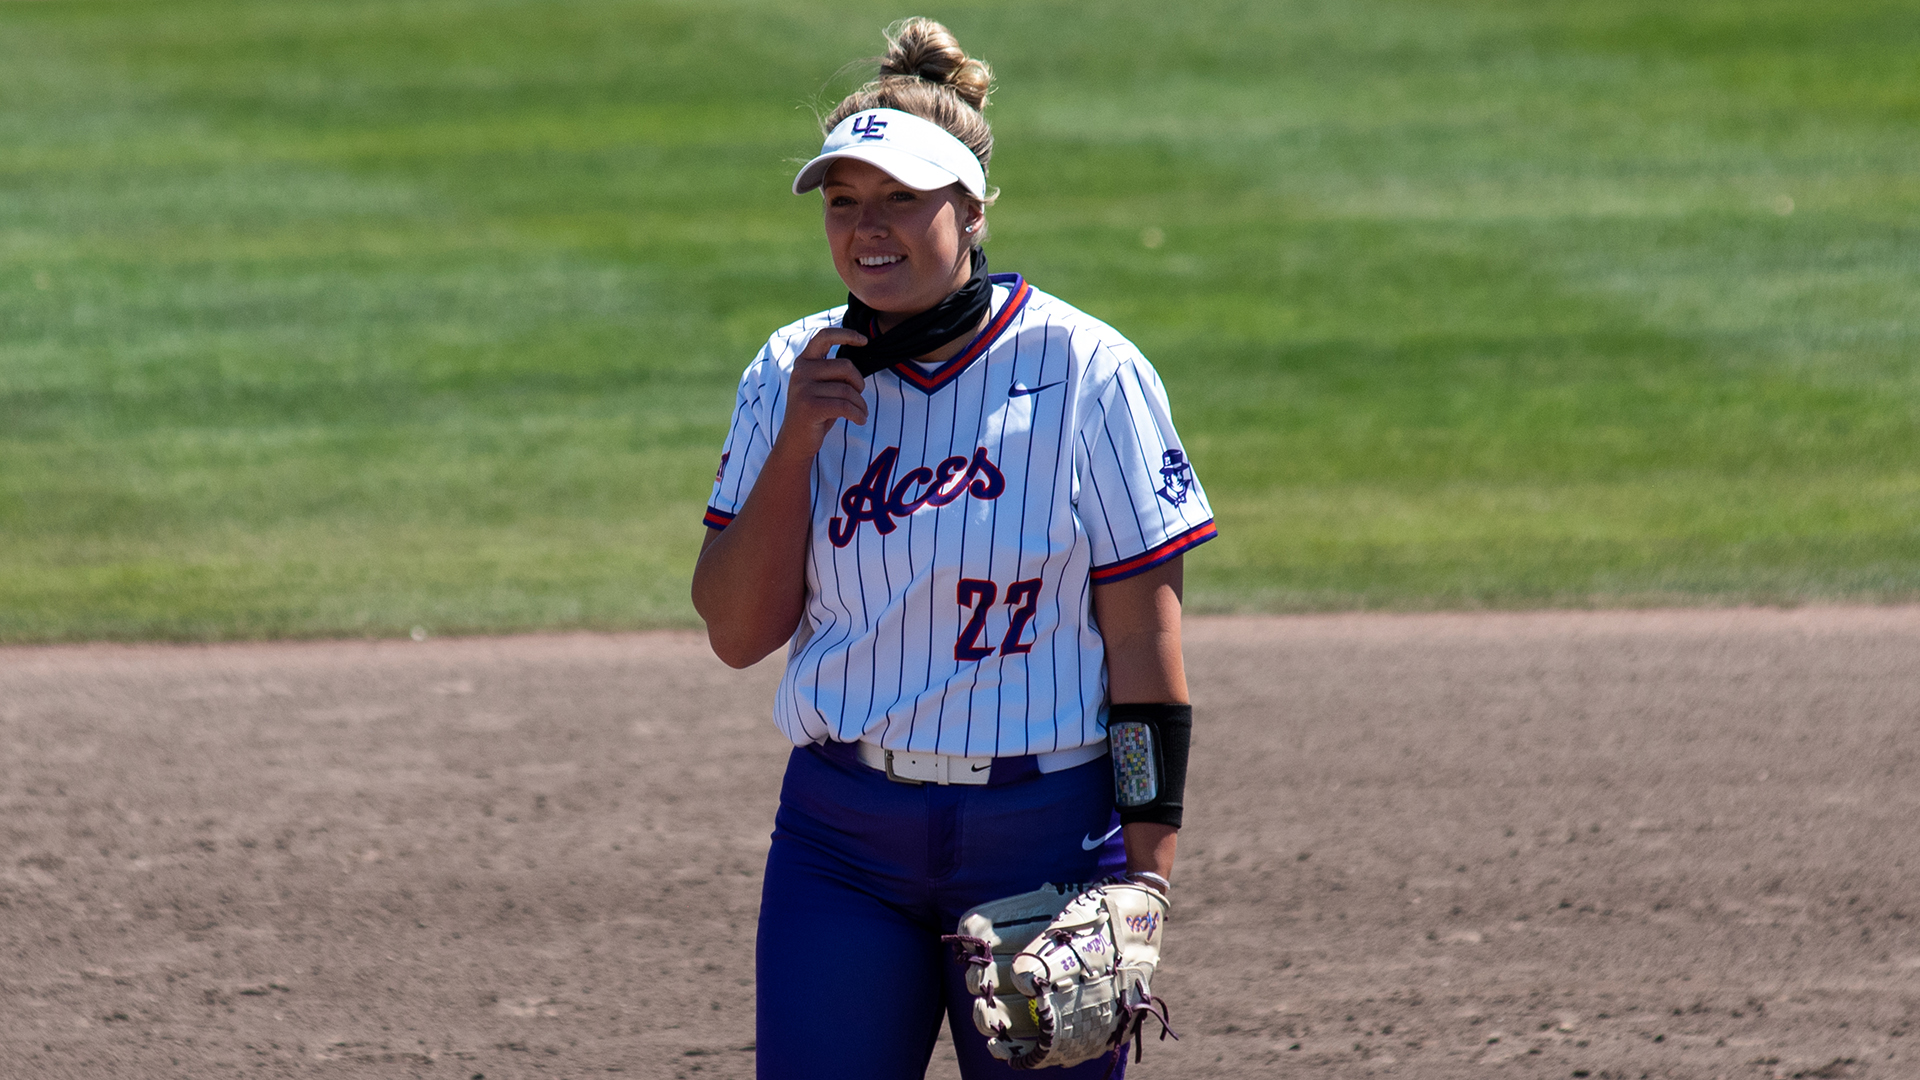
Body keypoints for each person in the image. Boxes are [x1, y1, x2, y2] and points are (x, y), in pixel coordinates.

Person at [691, 18, 1214, 1080]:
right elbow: (738, 634)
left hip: (1047, 844)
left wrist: (1147, 878)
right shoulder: (789, 369)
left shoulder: (1088, 370)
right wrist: (797, 444)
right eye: (844, 201)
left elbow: (1143, 646)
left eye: (901, 199)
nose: (867, 229)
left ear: (971, 211)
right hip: (842, 840)